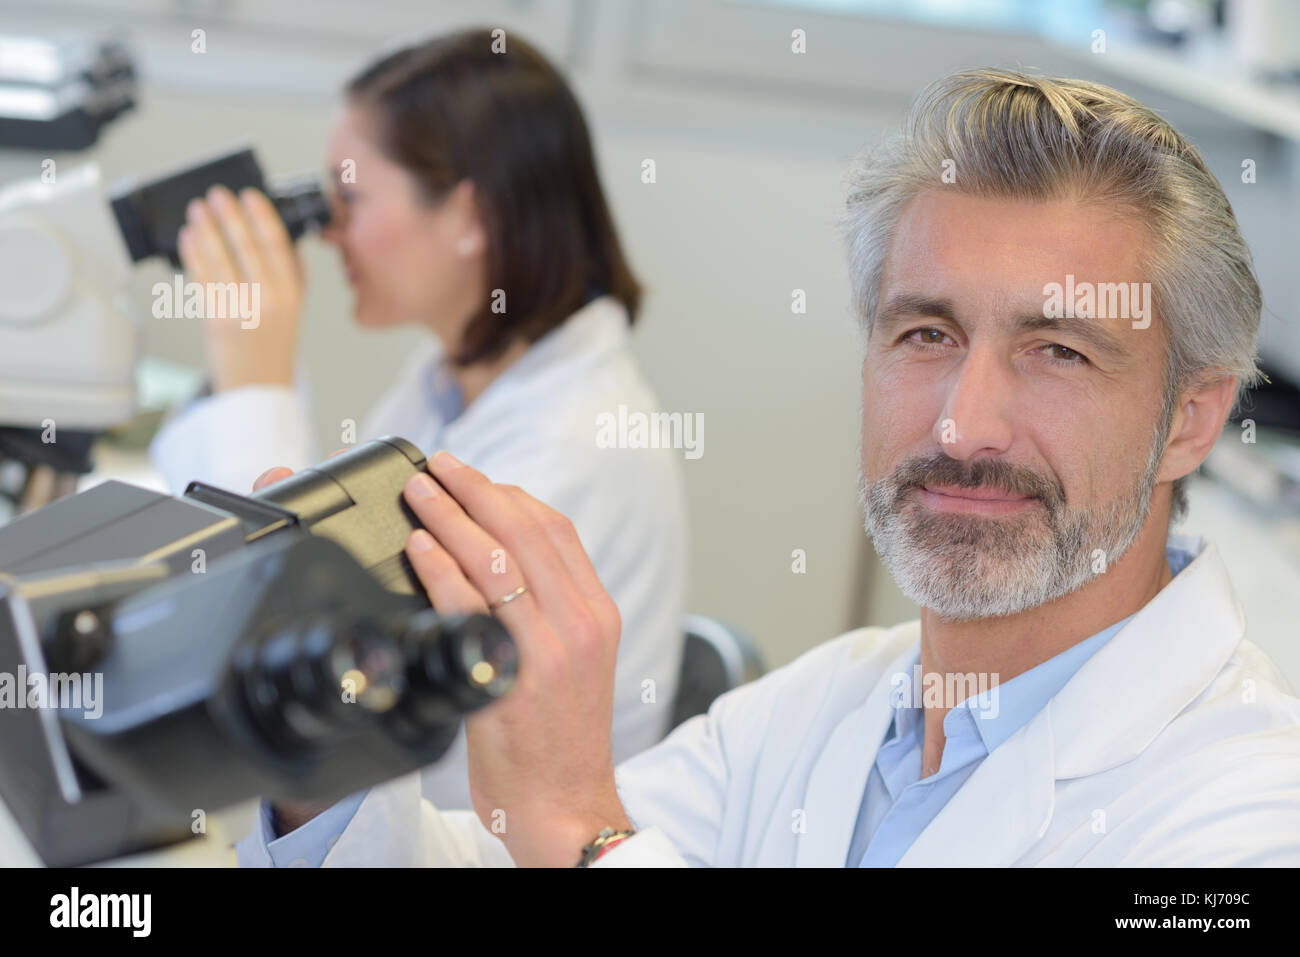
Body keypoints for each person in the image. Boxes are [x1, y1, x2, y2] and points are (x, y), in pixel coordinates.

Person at [238, 68, 1300, 867]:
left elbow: (579, 845)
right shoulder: (834, 704)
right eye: (924, 335)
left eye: (1058, 351)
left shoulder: (1243, 819)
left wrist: (575, 826)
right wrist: (326, 752)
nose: (963, 426)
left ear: (1190, 420)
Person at [148, 29, 687, 814]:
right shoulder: (447, 382)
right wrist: (247, 372)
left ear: (470, 212)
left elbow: (303, 665)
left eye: (350, 196)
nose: (327, 230)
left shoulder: (572, 446)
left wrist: (253, 371)